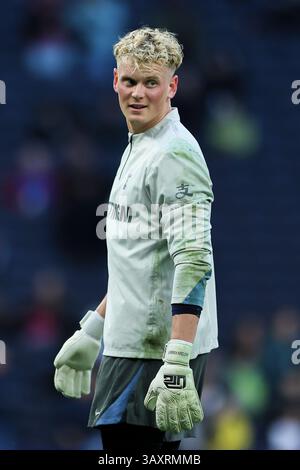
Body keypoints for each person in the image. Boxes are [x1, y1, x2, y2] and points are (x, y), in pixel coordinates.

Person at [54, 26, 218, 451]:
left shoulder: (174, 155)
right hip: (132, 348)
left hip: (157, 357)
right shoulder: (139, 145)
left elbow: (195, 259)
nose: (138, 93)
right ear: (114, 81)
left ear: (173, 86)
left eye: (151, 83)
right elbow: (142, 266)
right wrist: (93, 329)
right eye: (130, 81)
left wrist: (178, 356)